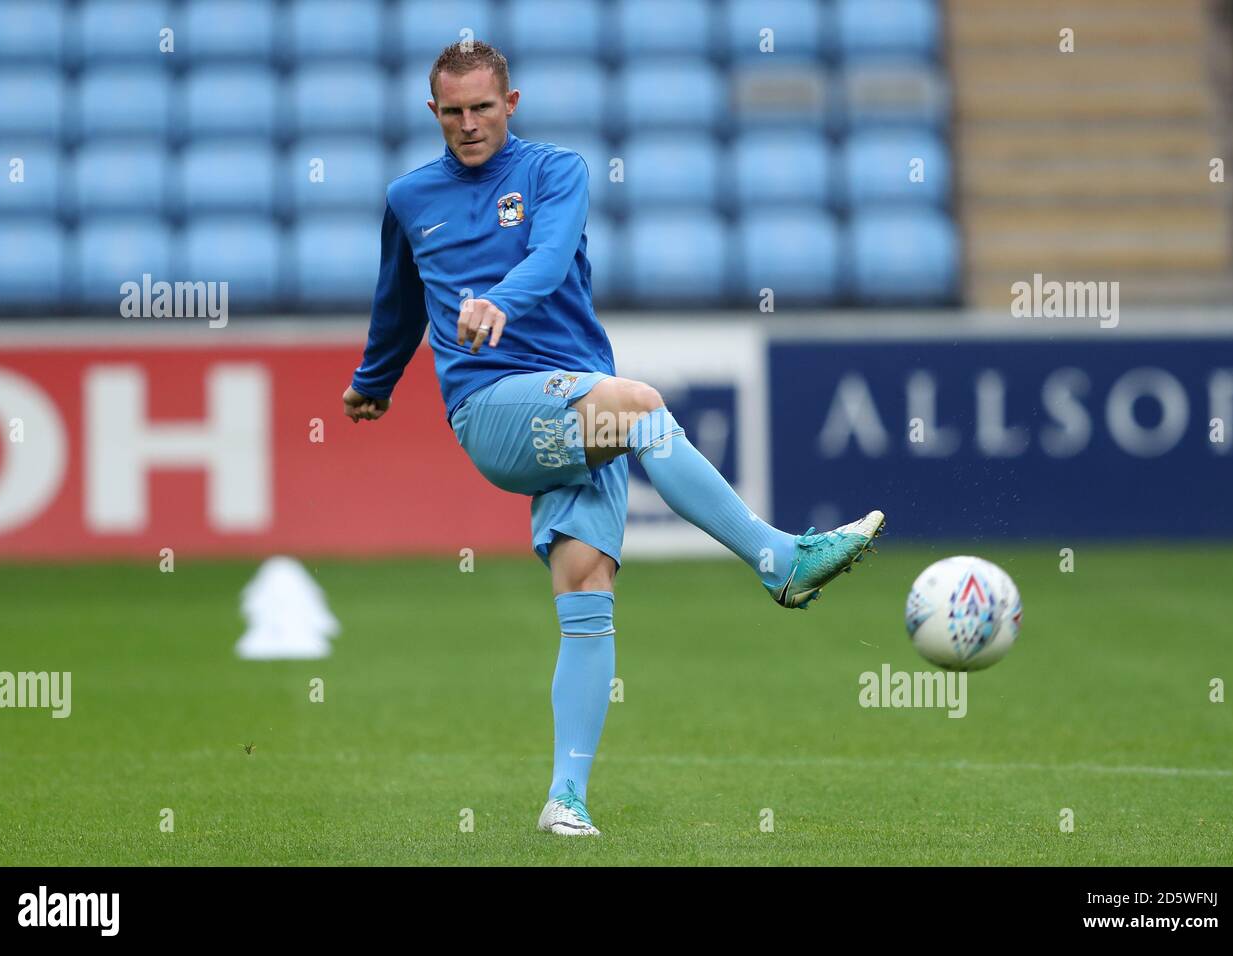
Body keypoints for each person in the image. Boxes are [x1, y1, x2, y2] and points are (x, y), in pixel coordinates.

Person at [343, 41, 884, 837]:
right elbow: (397, 304)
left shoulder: (556, 172)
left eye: (482, 108)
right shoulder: (408, 196)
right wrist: (373, 381)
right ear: (433, 113)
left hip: (570, 398)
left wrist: (500, 300)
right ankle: (777, 557)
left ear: (511, 103)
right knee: (637, 406)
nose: (468, 125)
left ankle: (566, 800)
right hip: (490, 408)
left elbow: (550, 254)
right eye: (452, 112)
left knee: (587, 588)